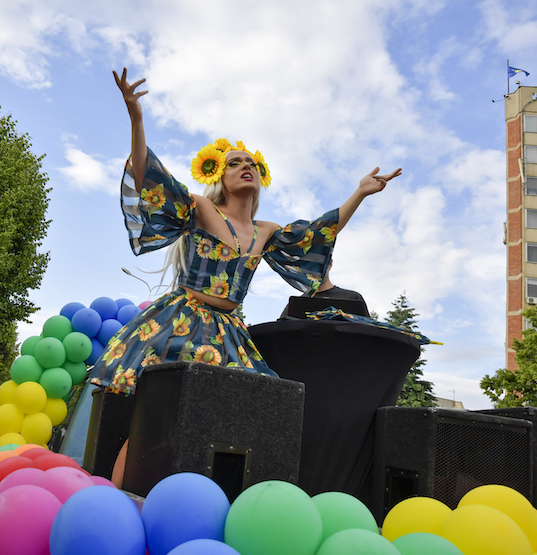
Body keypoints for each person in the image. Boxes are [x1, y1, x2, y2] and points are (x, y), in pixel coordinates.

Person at [92, 69, 401, 485]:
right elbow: (151, 179)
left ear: (261, 179)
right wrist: (136, 117)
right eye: (234, 163)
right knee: (152, 420)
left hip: (227, 333)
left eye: (251, 164)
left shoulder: (267, 232)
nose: (245, 167)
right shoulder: (203, 208)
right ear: (219, 177)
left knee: (229, 419)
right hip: (183, 321)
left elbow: (319, 232)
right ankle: (120, 500)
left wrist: (359, 193)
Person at [279, 262, 370, 319]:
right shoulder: (296, 304)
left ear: (329, 264)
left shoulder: (353, 298)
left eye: (318, 263)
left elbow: (369, 334)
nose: (314, 269)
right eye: (308, 264)